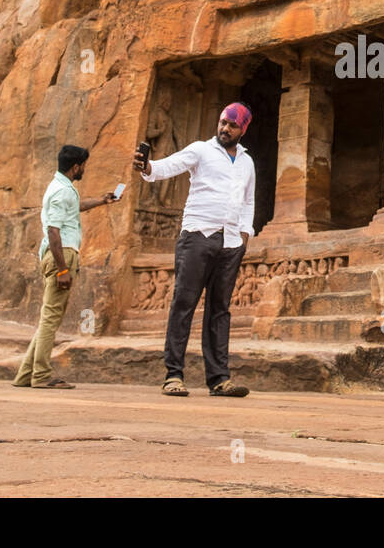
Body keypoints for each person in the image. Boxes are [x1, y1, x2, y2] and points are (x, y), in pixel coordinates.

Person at [134, 103, 256, 398]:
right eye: (222, 122)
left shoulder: (246, 163)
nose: (225, 128)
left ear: (244, 129)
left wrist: (244, 235)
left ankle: (218, 379)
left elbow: (248, 201)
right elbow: (169, 166)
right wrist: (147, 166)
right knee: (183, 303)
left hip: (229, 242)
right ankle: (173, 375)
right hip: (197, 236)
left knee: (220, 310)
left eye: (232, 125)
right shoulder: (201, 150)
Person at [13, 144, 116, 389]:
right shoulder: (62, 191)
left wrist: (102, 200)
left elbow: (74, 208)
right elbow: (53, 231)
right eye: (83, 166)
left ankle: (26, 374)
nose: (84, 170)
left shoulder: (62, 187)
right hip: (62, 254)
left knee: (48, 317)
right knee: (50, 319)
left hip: (59, 254)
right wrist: (62, 269)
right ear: (75, 167)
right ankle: (41, 376)